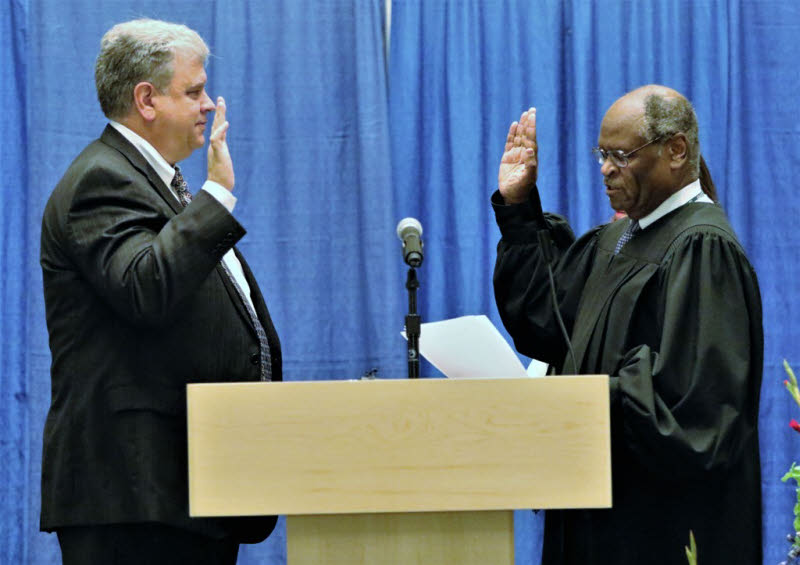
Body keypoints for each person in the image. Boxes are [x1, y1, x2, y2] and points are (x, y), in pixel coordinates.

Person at [39, 19, 281, 565]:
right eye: (193, 91)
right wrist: (217, 196)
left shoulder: (154, 182)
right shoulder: (102, 179)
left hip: (185, 491)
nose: (209, 105)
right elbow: (147, 288)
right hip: (134, 497)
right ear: (146, 99)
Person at [492, 85, 762, 564]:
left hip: (656, 528)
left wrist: (578, 398)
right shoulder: (618, 239)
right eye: (601, 155)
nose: (605, 169)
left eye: (620, 155)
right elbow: (548, 322)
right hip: (597, 515)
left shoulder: (702, 248)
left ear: (676, 150)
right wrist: (519, 210)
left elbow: (694, 413)